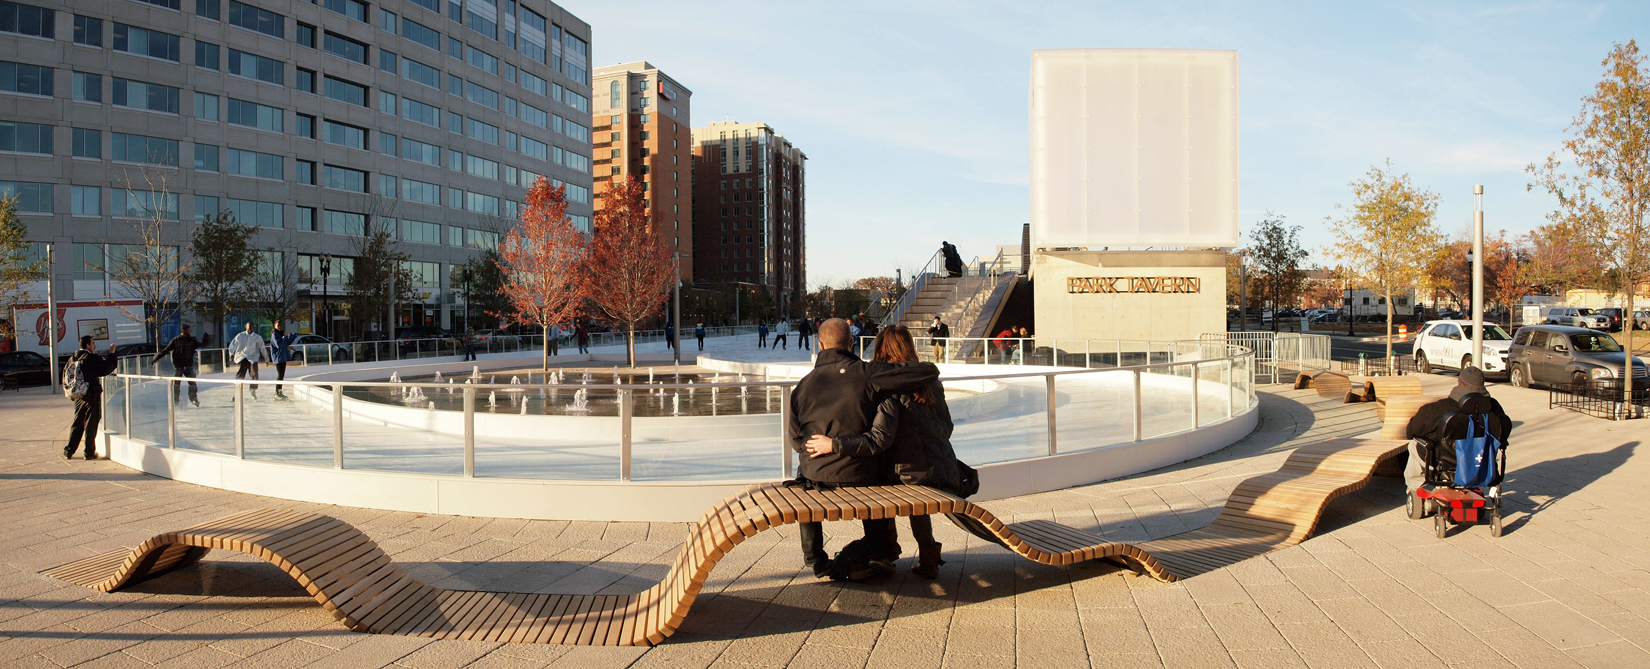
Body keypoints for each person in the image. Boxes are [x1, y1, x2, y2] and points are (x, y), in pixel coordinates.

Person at [788, 318, 940, 578]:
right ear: (851, 342)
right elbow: (928, 371)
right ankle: (879, 548)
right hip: (858, 475)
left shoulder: (802, 385)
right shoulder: (867, 373)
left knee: (805, 477)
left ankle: (815, 559)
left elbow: (795, 440)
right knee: (880, 474)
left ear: (820, 344)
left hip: (816, 474)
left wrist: (819, 448)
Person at [1404, 366, 1511, 495]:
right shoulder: (1494, 408)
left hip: (1443, 463)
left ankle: (1415, 489)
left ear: (1460, 384)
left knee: (1415, 444)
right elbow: (1503, 434)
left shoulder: (1439, 408)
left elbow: (1411, 430)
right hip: (1480, 461)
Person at [64, 336, 117, 460]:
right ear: (87, 345)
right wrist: (111, 354)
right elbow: (105, 368)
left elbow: (66, 376)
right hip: (91, 394)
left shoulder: (72, 359)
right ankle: (89, 452)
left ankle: (69, 450)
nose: (94, 346)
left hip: (78, 396)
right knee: (91, 423)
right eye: (93, 343)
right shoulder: (90, 358)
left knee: (77, 422)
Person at [153, 325, 201, 406]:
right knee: (176, 384)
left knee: (192, 383)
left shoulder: (191, 340)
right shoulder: (176, 340)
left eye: (189, 330)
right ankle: (175, 400)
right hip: (178, 366)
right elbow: (166, 350)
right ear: (183, 331)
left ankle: (193, 398)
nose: (189, 332)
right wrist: (156, 359)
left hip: (189, 366)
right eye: (187, 330)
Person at [228, 322, 266, 400]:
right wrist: (231, 354)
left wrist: (265, 357)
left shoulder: (257, 337)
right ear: (246, 327)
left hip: (253, 357)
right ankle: (237, 393)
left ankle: (253, 391)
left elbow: (262, 347)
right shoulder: (240, 336)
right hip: (243, 357)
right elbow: (233, 344)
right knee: (240, 374)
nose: (251, 328)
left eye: (252, 327)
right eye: (249, 327)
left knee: (254, 374)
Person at [269, 322, 297, 400]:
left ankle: (279, 391)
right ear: (274, 326)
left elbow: (287, 342)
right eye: (278, 325)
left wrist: (292, 336)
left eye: (281, 325)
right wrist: (286, 336)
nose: (280, 326)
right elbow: (279, 344)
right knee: (280, 374)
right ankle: (277, 392)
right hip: (278, 357)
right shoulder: (275, 335)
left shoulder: (280, 334)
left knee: (282, 375)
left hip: (283, 357)